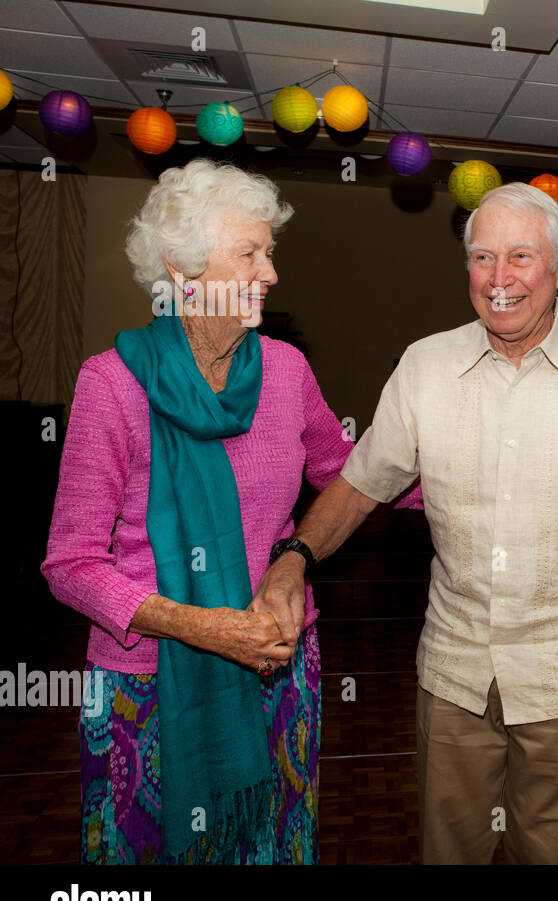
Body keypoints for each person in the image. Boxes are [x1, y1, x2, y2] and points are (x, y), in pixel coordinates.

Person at [251, 182, 558, 865]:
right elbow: (361, 486)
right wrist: (294, 555)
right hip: (454, 678)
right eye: (483, 258)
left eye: (520, 256)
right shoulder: (426, 366)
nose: (499, 278)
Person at [41, 159, 419, 864]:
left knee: (272, 845)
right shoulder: (112, 385)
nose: (271, 272)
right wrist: (204, 627)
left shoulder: (284, 371)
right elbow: (70, 565)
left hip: (277, 661)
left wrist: (471, 481)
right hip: (147, 682)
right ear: (182, 273)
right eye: (250, 253)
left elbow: (350, 473)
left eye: (268, 252)